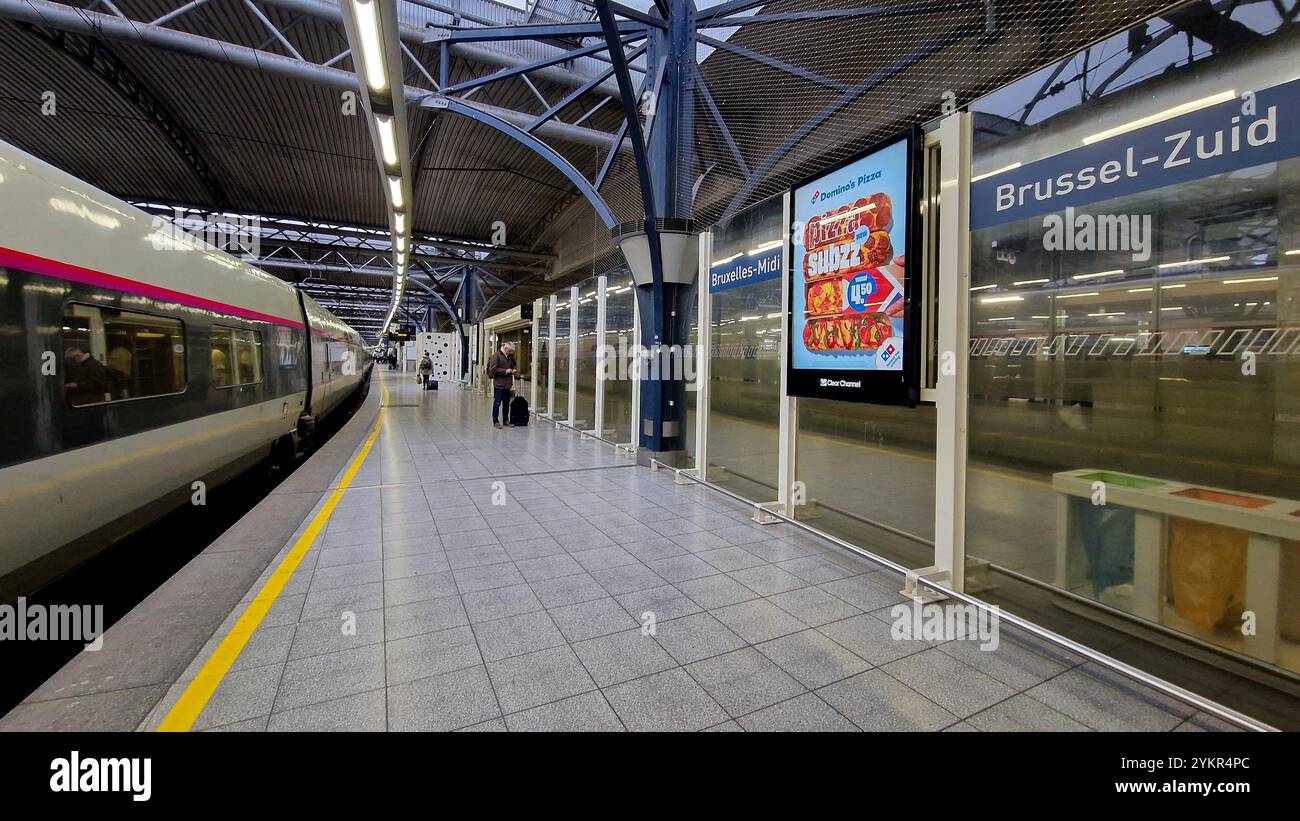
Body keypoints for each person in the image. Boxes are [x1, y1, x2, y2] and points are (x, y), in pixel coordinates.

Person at [486, 341, 517, 429]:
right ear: (506, 348)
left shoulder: (510, 356)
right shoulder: (496, 356)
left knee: (506, 403)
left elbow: (514, 364)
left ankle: (505, 420)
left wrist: (514, 369)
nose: (511, 353)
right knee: (497, 403)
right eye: (510, 351)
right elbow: (493, 370)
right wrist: (505, 371)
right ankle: (495, 421)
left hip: (508, 384)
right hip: (499, 384)